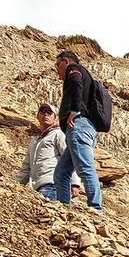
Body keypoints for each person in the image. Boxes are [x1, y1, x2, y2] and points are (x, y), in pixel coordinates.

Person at [53, 50, 102, 212]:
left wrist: (74, 110)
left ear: (65, 61)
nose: (57, 70)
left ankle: (96, 210)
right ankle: (64, 208)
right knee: (61, 172)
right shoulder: (82, 72)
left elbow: (75, 83)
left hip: (78, 127)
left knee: (85, 169)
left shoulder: (73, 69)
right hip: (82, 129)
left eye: (57, 65)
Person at [17, 103, 80, 201]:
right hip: (35, 188)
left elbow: (70, 158)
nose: (45, 114)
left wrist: (75, 183)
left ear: (55, 118)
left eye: (49, 112)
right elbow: (26, 167)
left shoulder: (59, 135)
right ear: (37, 116)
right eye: (42, 112)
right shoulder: (34, 140)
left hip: (52, 185)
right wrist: (16, 185)